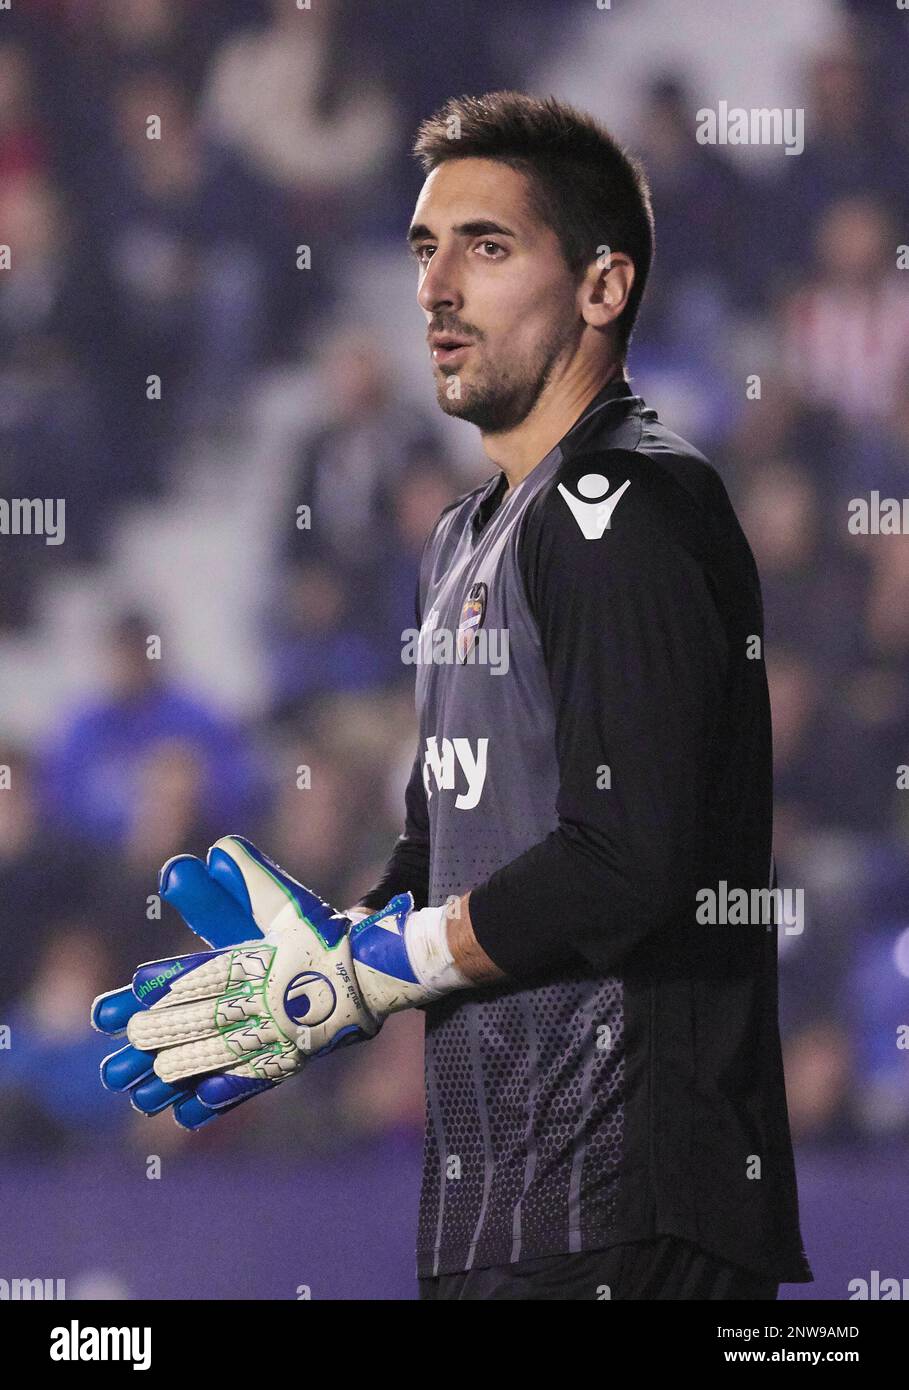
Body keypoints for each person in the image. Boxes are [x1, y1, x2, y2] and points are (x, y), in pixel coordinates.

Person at [93, 91, 813, 1301]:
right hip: (504, 1202)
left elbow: (631, 857)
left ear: (602, 288)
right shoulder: (464, 536)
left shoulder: (629, 508)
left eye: (487, 247)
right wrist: (323, 965)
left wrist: (381, 965)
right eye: (426, 249)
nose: (435, 288)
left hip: (631, 1205)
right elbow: (447, 853)